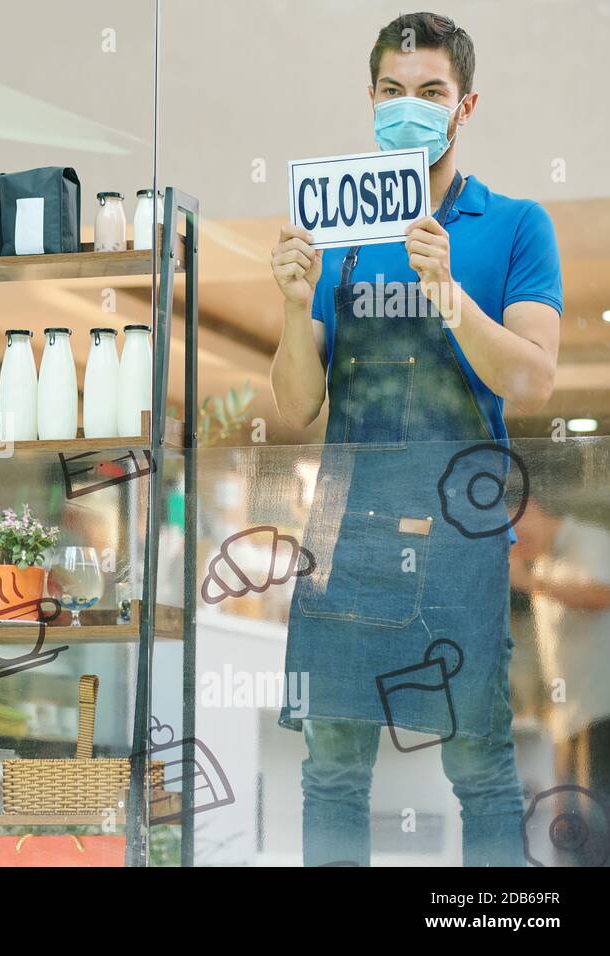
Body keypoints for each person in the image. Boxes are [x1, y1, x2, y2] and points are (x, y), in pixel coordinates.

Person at [268, 12, 562, 866]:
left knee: (480, 768)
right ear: (369, 99)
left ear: (465, 105)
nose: (410, 109)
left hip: (460, 535)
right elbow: (293, 409)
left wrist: (447, 294)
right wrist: (294, 308)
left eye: (430, 92)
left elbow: (533, 378)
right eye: (393, 93)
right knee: (329, 772)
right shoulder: (340, 230)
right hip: (341, 535)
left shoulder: (514, 226)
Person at [511, 500, 610, 823]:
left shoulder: (589, 541)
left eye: (513, 531)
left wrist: (529, 584)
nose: (513, 543)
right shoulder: (542, 563)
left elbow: (602, 595)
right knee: (571, 829)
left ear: (531, 510)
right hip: (570, 716)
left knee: (596, 826)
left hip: (601, 711)